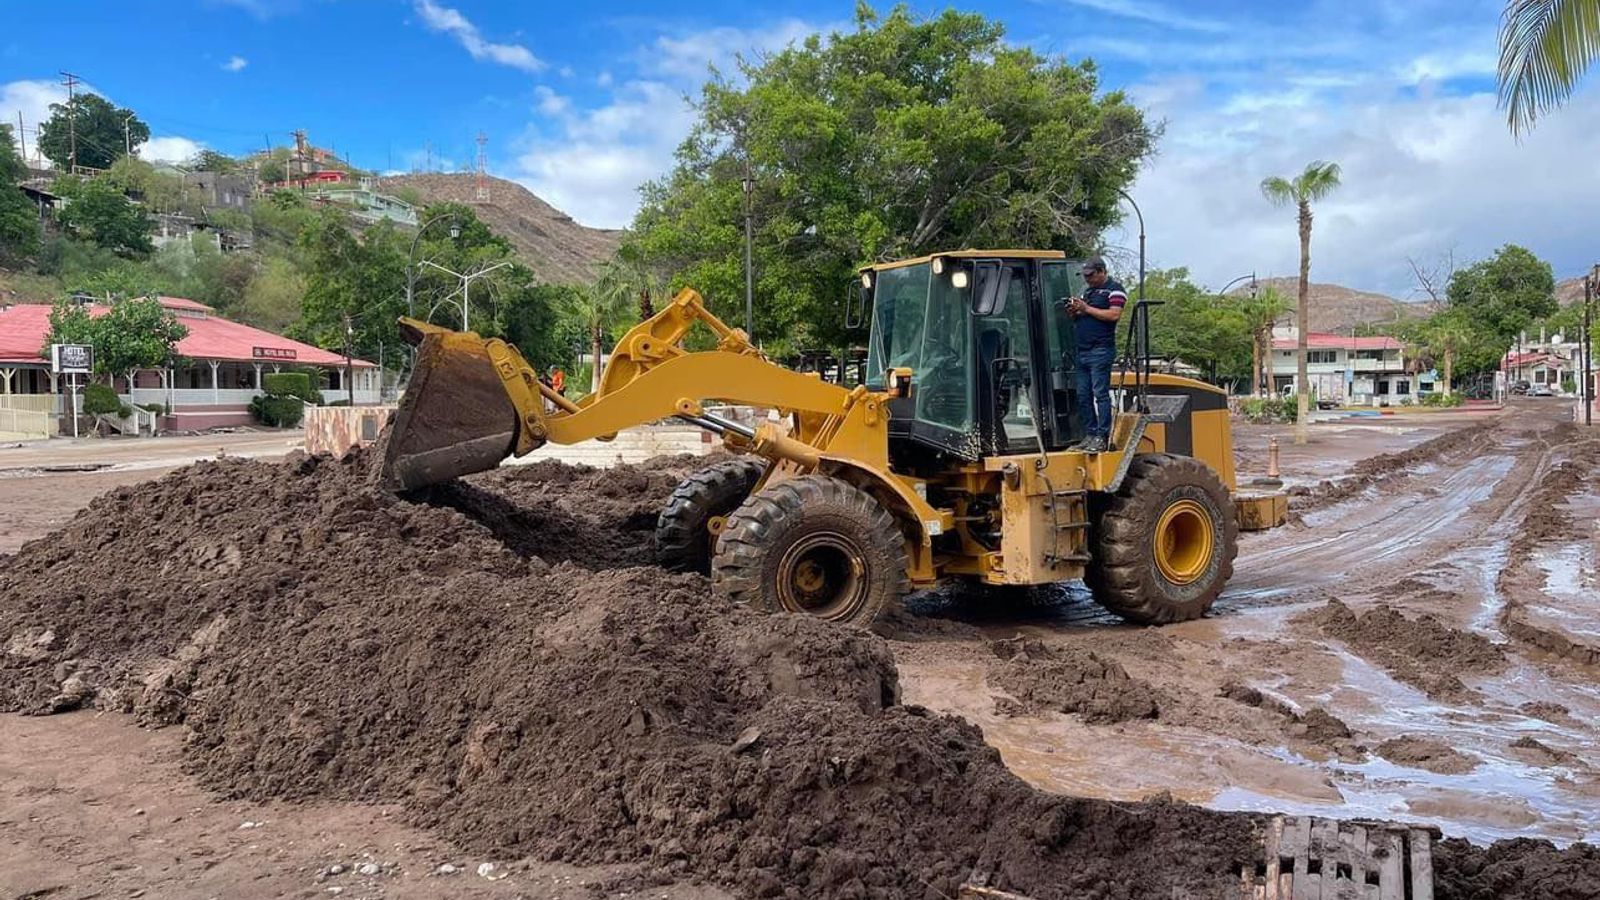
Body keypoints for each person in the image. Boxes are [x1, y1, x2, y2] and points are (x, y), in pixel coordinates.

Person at [1065, 256, 1126, 453]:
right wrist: (1075, 311)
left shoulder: (1115, 290)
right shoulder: (1088, 292)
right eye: (1085, 276)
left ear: (1101, 271)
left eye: (1091, 275)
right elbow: (1083, 315)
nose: (1087, 279)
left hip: (1100, 349)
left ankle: (1102, 435)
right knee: (1083, 394)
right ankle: (1090, 434)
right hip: (1082, 350)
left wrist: (1086, 308)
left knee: (1100, 394)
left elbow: (1114, 315)